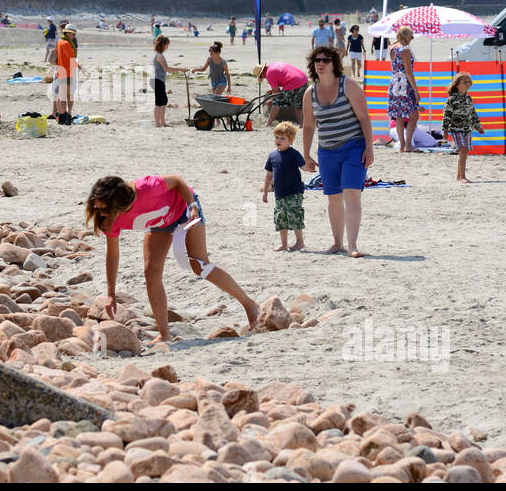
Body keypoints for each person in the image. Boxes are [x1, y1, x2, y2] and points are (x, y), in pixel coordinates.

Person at [85, 174, 262, 343]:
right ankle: (164, 334)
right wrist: (111, 294)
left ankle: (249, 305)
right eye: (96, 208)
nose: (100, 213)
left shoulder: (147, 187)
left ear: (119, 203)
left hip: (185, 210)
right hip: (159, 223)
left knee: (200, 266)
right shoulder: (108, 220)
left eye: (104, 209)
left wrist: (192, 206)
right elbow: (113, 255)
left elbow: (177, 181)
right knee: (151, 273)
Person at [300, 46, 374, 256]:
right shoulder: (310, 93)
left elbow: (364, 118)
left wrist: (369, 147)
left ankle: (352, 246)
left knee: (352, 194)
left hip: (354, 147)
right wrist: (306, 155)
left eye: (325, 60)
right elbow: (308, 127)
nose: (321, 64)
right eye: (317, 61)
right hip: (327, 151)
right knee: (333, 197)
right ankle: (337, 243)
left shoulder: (348, 85)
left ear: (334, 64)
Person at [262, 121, 306, 251]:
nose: (278, 140)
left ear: (290, 141)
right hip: (279, 193)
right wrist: (265, 191)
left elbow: (303, 166)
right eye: (276, 137)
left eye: (282, 138)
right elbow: (269, 174)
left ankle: (300, 242)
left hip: (294, 192)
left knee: (294, 216)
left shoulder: (294, 154)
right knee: (281, 218)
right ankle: (284, 243)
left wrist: (310, 167)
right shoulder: (273, 155)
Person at [442, 73, 484, 183]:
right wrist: (445, 130)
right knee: (463, 149)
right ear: (457, 85)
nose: (467, 84)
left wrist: (477, 126)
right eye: (464, 82)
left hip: (467, 129)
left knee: (463, 152)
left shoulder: (468, 98)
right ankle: (463, 177)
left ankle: (459, 176)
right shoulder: (451, 99)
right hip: (456, 129)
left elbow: (473, 113)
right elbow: (447, 115)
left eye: (469, 82)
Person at [388, 26, 421, 152]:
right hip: (404, 83)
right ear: (406, 36)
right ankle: (408, 145)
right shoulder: (405, 49)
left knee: (399, 116)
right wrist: (416, 91)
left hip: (394, 82)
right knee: (414, 115)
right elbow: (408, 72)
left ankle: (402, 145)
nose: (411, 39)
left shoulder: (392, 47)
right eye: (411, 37)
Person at [252, 61, 307, 127]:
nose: (264, 78)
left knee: (276, 102)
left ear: (262, 72)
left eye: (261, 76)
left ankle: (268, 123)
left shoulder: (269, 73)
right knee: (298, 104)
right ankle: (301, 124)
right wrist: (273, 90)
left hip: (293, 82)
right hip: (304, 80)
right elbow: (283, 77)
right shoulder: (275, 64)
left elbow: (277, 91)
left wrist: (272, 100)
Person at [152, 36, 188, 128]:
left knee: (163, 101)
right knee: (159, 102)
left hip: (158, 80)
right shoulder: (159, 55)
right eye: (167, 45)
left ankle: (162, 122)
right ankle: (158, 123)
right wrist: (180, 69)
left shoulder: (158, 54)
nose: (167, 47)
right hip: (157, 80)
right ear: (163, 44)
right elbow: (167, 69)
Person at [54, 25, 81, 117]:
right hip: (67, 71)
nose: (74, 36)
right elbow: (72, 60)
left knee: (60, 95)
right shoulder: (66, 44)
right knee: (64, 96)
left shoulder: (60, 42)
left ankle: (59, 115)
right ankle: (63, 116)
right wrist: (80, 67)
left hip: (60, 70)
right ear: (68, 33)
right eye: (73, 34)